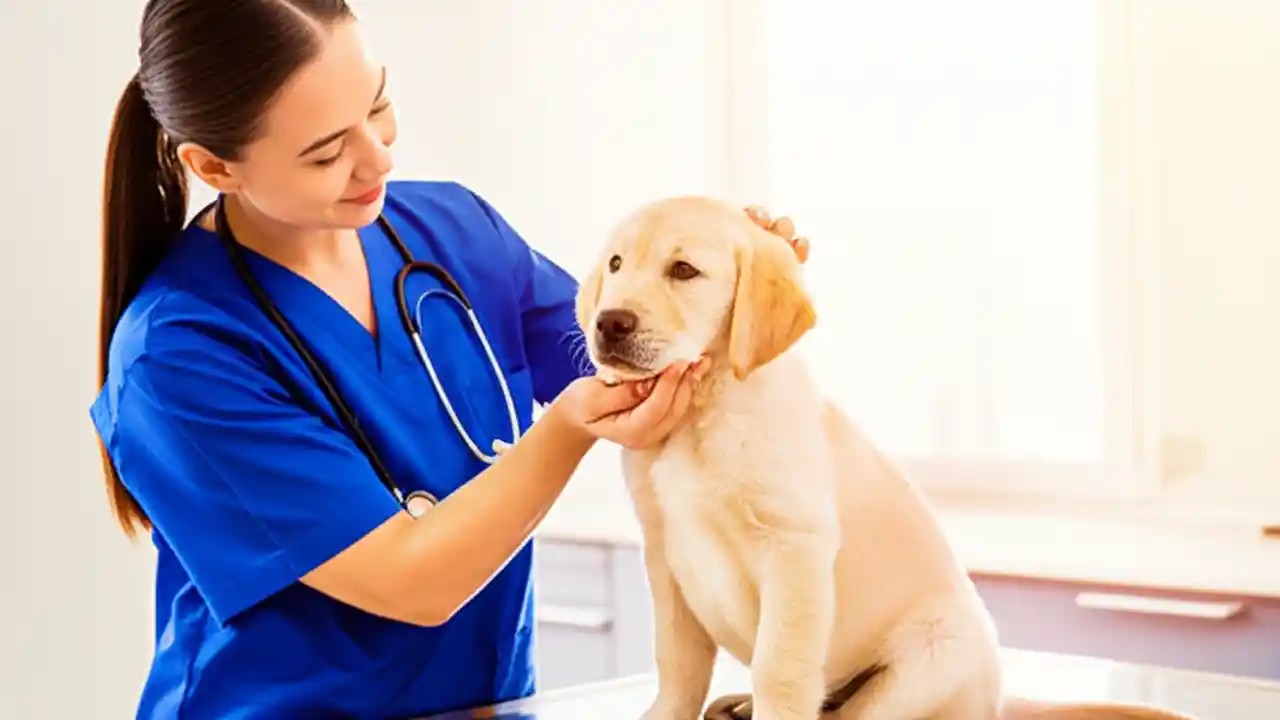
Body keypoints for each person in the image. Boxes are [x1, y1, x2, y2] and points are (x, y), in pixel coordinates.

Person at [92, 1, 810, 717]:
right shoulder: (177, 354)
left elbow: (636, 378)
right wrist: (564, 432)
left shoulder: (453, 232)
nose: (378, 158)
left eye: (378, 107)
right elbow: (414, 582)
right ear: (214, 165)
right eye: (326, 151)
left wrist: (735, 283)